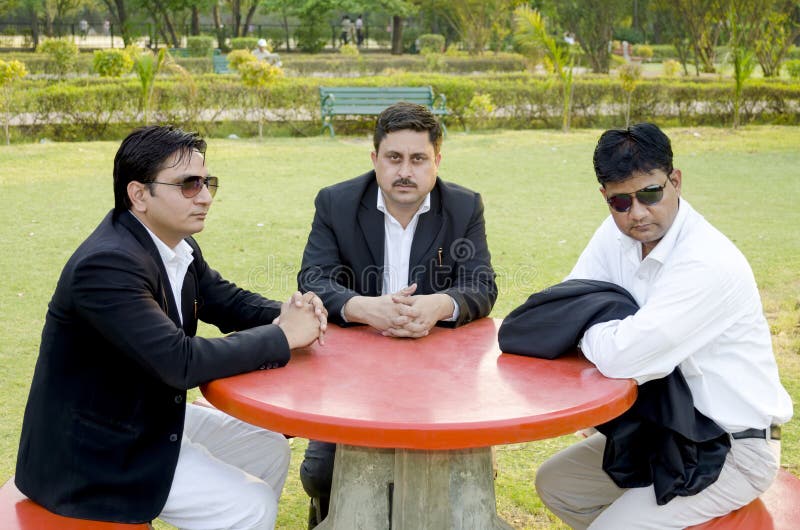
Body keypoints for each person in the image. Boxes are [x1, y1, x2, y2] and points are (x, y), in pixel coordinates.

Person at [14, 125, 327, 529]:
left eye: (207, 182)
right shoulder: (106, 265)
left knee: (266, 447)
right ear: (139, 194)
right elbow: (179, 361)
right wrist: (284, 335)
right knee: (250, 505)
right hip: (94, 454)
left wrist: (292, 310)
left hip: (146, 417)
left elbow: (224, 300)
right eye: (189, 185)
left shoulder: (174, 243)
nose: (206, 196)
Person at [534, 123, 793, 529]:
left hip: (732, 448)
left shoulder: (706, 261)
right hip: (663, 431)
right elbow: (568, 303)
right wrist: (599, 329)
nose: (636, 213)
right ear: (605, 197)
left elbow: (623, 356)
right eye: (620, 201)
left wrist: (589, 331)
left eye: (650, 194)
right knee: (557, 483)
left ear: (675, 181)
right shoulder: (616, 233)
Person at [296, 101, 497, 526]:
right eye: (394, 158)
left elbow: (481, 285)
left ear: (436, 161)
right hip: (352, 372)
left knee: (456, 476)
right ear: (375, 159)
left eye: (418, 159)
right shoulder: (336, 203)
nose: (405, 171)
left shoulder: (463, 207)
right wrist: (365, 309)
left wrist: (438, 305)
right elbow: (314, 278)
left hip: (437, 376)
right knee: (320, 472)